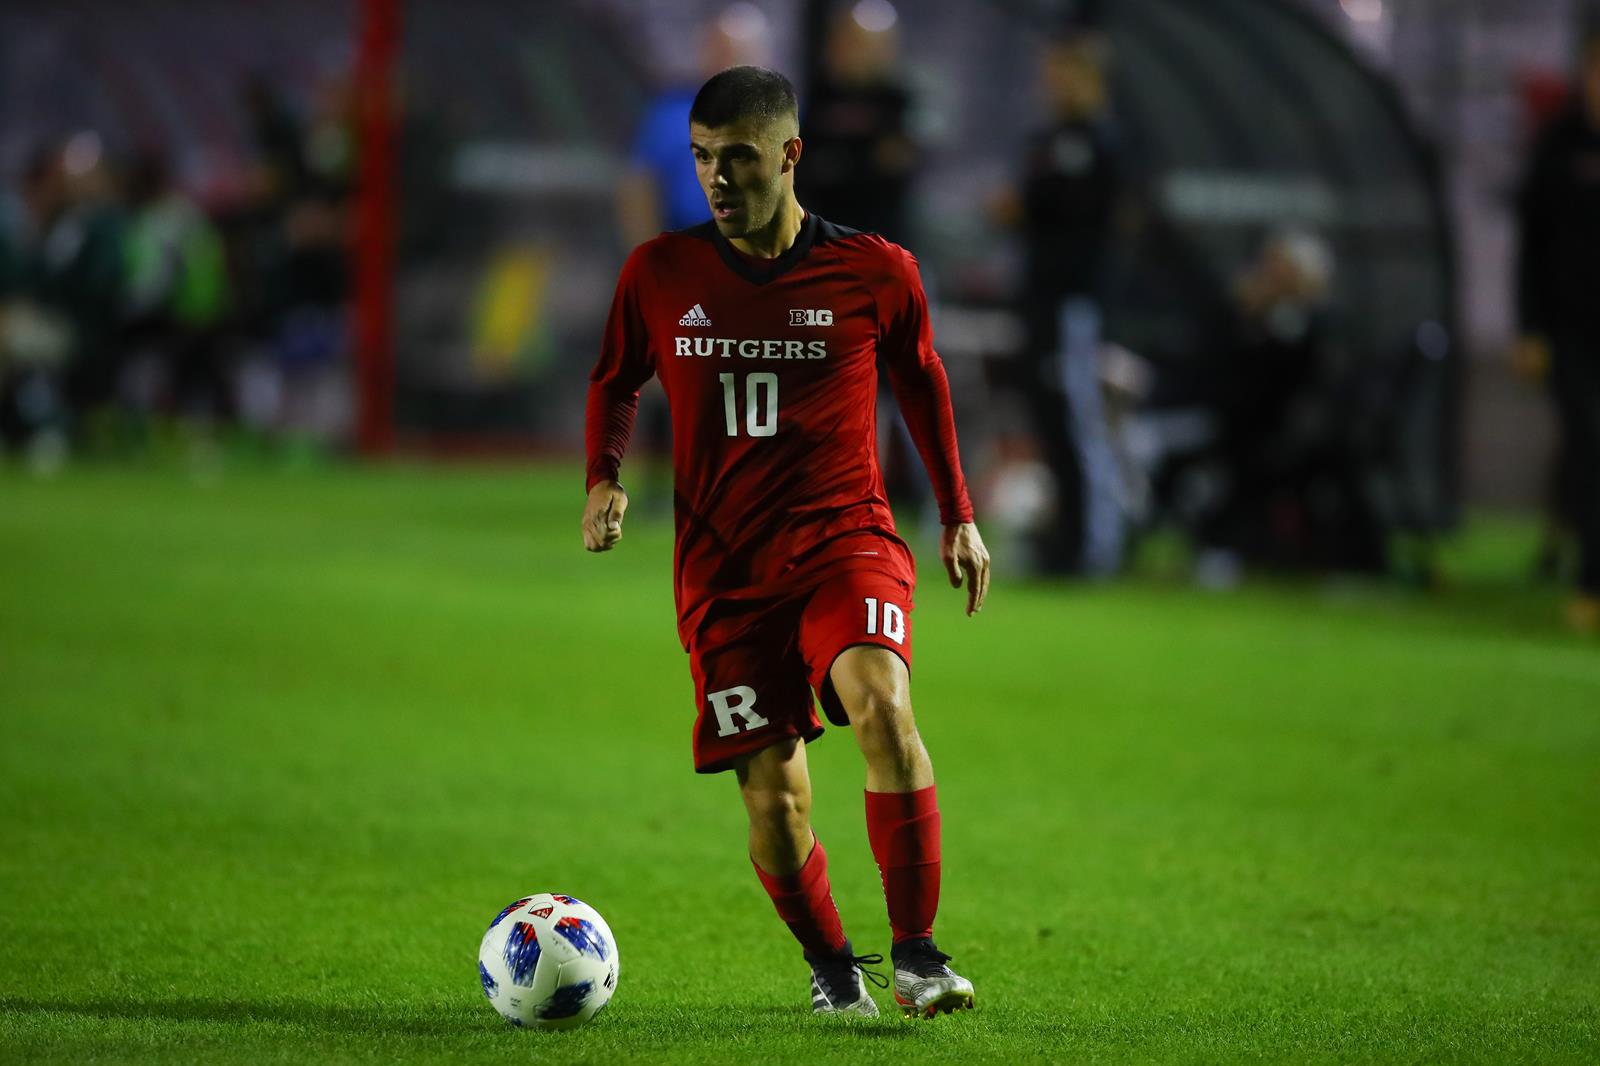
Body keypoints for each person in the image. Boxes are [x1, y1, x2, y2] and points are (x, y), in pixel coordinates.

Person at [583, 66, 990, 1019]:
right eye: (701, 159)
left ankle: (921, 958)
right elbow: (614, 378)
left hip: (845, 540)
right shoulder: (659, 273)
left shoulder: (875, 270)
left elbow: (923, 380)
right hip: (724, 570)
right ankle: (834, 972)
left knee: (884, 707)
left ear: (789, 155)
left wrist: (960, 512)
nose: (716, 178)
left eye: (737, 158)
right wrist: (603, 477)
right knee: (775, 802)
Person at [997, 30, 1127, 575]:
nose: (1056, 84)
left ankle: (1095, 545)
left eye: (1067, 73)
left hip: (1071, 301)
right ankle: (1063, 540)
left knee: (1078, 420)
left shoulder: (1100, 141)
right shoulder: (1048, 139)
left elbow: (1080, 213)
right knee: (1050, 419)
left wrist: (1023, 208)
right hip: (1040, 298)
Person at [1515, 22, 1600, 633]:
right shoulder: (1560, 145)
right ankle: (1590, 578)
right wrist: (1528, 329)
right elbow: (1531, 247)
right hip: (1571, 332)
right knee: (1588, 442)